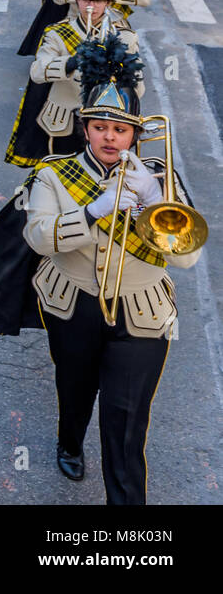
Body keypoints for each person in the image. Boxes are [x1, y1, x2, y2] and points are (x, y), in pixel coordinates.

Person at [25, 37, 200, 503]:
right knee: (75, 387)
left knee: (126, 427)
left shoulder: (161, 179)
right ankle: (69, 439)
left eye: (119, 130)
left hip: (141, 313)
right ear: (84, 129)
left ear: (135, 135)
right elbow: (38, 238)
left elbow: (186, 258)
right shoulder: (53, 173)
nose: (108, 137)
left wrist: (154, 201)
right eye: (99, 126)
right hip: (74, 304)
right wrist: (92, 212)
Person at [4, 0, 141, 168]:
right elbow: (37, 72)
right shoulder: (57, 33)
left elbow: (139, 89)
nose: (91, 5)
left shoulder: (124, 36)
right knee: (59, 178)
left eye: (98, 0)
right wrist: (71, 62)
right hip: (63, 121)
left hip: (105, 126)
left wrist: (120, 70)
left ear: (107, 2)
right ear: (75, 0)